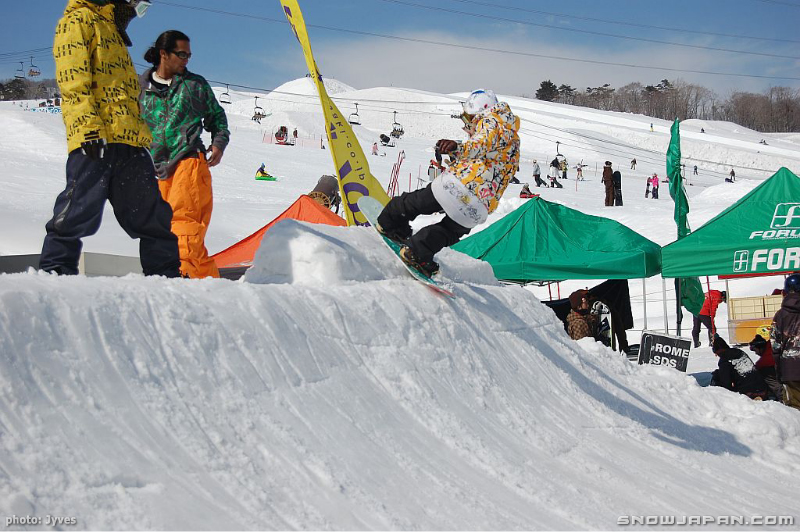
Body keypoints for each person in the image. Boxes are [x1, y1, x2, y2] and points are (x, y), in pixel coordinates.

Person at [40, 0, 181, 278]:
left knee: (152, 215)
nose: (136, 11)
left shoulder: (112, 31)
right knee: (78, 209)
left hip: (129, 141)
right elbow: (74, 80)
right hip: (96, 138)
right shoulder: (78, 20)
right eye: (136, 4)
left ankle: (166, 278)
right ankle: (55, 273)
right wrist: (88, 127)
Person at [375, 89, 519, 277]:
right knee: (450, 231)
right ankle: (417, 251)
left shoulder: (492, 121)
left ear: (479, 111)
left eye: (468, 118)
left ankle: (390, 220)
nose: (468, 126)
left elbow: (481, 143)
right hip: (480, 203)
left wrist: (457, 147)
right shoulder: (511, 136)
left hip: (460, 183)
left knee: (422, 201)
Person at [140, 30, 231, 279]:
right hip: (151, 167)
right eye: (181, 54)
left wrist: (218, 143)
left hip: (187, 161)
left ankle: (185, 278)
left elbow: (217, 118)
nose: (186, 60)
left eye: (189, 55)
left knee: (185, 224)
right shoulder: (139, 88)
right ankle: (200, 282)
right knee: (155, 228)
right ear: (163, 54)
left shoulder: (195, 85)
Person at [771, 273, 800, 410]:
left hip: (790, 368)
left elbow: (775, 345)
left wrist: (779, 366)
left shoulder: (781, 315)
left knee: (795, 410)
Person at [710, 335, 769, 400]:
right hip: (762, 388)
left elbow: (726, 384)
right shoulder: (739, 352)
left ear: (718, 350)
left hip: (748, 392)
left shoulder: (724, 360)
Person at [748, 334, 783, 401]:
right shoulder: (771, 346)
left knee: (766, 373)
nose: (756, 353)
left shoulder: (769, 351)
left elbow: (764, 362)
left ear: (760, 348)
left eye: (755, 350)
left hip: (781, 370)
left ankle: (782, 398)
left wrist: (755, 369)